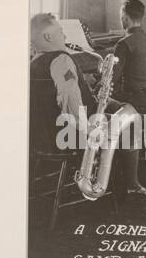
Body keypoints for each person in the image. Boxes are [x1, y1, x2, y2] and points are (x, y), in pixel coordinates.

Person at [112, 0, 146, 196]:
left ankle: (131, 182)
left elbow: (113, 78)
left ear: (124, 19)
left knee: (107, 105)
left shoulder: (124, 43)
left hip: (137, 102)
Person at [29, 13, 96, 156]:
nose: (65, 37)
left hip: (44, 142)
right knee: (129, 123)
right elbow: (70, 99)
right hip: (71, 139)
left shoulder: (33, 63)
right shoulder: (61, 60)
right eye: (60, 31)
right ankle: (129, 179)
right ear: (48, 36)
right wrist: (88, 130)